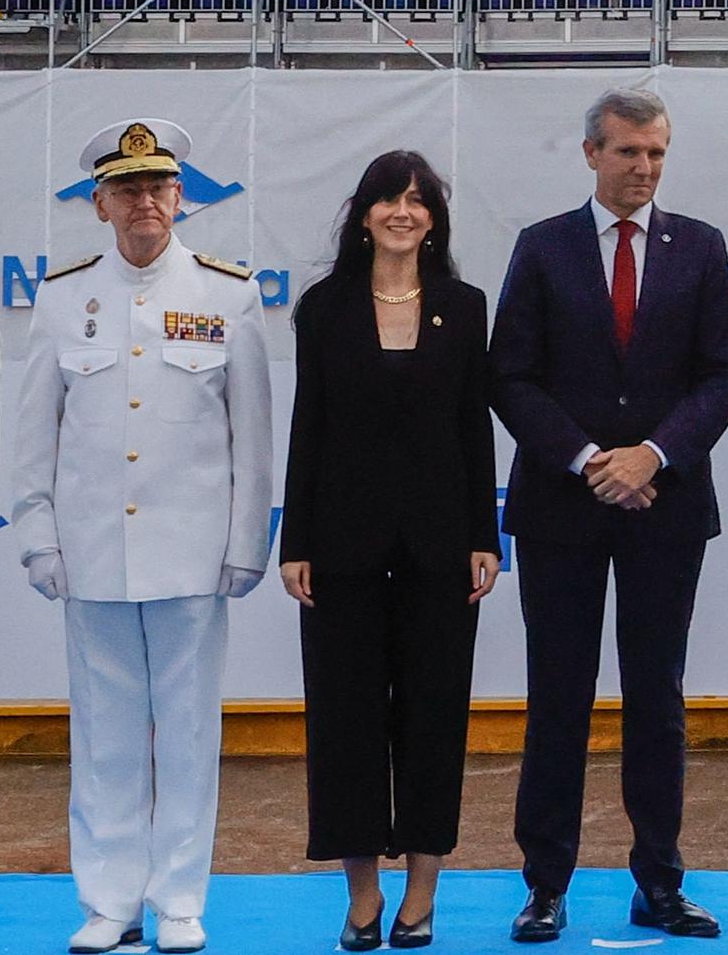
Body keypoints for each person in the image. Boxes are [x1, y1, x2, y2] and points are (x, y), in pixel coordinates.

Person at [6, 120, 276, 955]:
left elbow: (252, 436)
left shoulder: (229, 294)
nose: (145, 202)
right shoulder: (61, 296)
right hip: (91, 551)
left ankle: (181, 898)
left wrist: (245, 545)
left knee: (190, 730)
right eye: (127, 189)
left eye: (159, 187)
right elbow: (34, 431)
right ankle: (110, 898)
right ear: (99, 204)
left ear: (182, 198)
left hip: (193, 551)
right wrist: (38, 536)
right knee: (105, 732)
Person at [491, 87, 728, 944]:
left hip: (665, 508)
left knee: (658, 700)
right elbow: (511, 376)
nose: (644, 168)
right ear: (591, 153)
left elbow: (723, 375)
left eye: (657, 153)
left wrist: (653, 455)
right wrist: (590, 459)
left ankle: (660, 882)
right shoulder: (542, 248)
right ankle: (546, 884)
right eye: (628, 152)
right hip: (563, 508)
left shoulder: (701, 247)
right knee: (556, 697)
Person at [281, 152, 503, 951]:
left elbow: (475, 431)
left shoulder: (466, 306)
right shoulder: (324, 307)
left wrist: (487, 534)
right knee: (344, 722)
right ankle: (363, 897)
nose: (402, 213)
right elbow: (309, 427)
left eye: (417, 201)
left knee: (433, 716)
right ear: (365, 215)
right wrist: (294, 541)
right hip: (339, 548)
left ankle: (421, 895)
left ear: (434, 218)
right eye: (388, 200)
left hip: (443, 550)